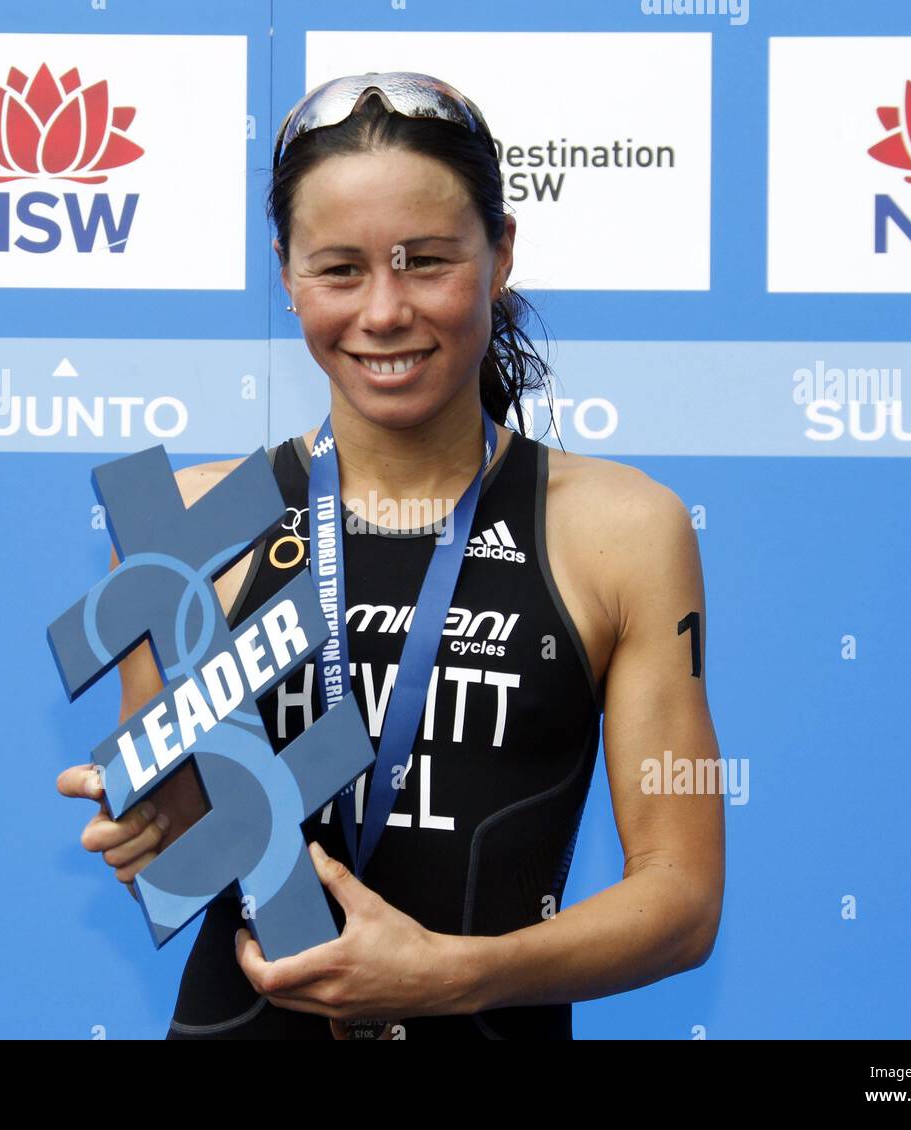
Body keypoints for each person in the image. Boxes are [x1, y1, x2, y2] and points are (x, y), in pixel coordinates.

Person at [56, 72, 724, 1040]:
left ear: (499, 257)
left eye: (425, 261)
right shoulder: (186, 520)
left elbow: (682, 895)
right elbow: (180, 857)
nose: (383, 310)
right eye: (340, 269)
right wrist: (149, 825)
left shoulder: (620, 527)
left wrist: (450, 975)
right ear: (286, 274)